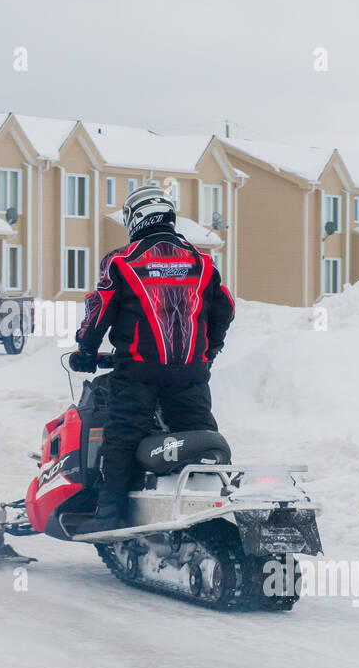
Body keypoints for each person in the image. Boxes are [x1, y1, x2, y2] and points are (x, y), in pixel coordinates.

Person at [69, 182, 236, 532]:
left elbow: (99, 311)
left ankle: (110, 513)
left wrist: (85, 349)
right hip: (190, 373)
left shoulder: (123, 261)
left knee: (122, 437)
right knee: (198, 435)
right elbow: (225, 308)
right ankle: (214, 504)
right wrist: (210, 349)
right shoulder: (201, 261)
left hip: (138, 372)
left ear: (135, 218)